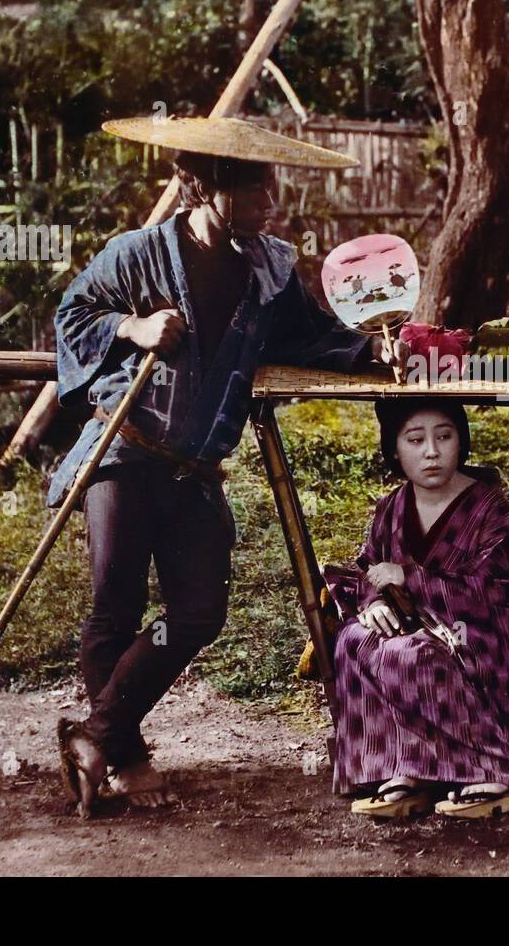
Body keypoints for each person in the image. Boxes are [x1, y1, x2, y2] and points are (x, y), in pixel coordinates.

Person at [51, 116, 407, 817]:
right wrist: (134, 327)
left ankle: (92, 738)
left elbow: (311, 335)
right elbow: (71, 316)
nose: (267, 195)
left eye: (268, 179)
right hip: (124, 451)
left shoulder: (269, 269)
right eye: (250, 182)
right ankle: (122, 756)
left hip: (194, 469)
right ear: (200, 184)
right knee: (115, 605)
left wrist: (370, 352)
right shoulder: (139, 254)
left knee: (199, 610)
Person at [325, 398, 509, 819]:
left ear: (461, 443)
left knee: (409, 653)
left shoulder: (488, 508)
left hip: (479, 632)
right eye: (415, 439)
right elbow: (369, 567)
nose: (431, 451)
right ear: (394, 449)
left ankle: (492, 769)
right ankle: (405, 766)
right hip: (414, 625)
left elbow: (499, 589)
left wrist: (411, 578)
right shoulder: (391, 507)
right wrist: (371, 603)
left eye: (444, 436)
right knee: (354, 639)